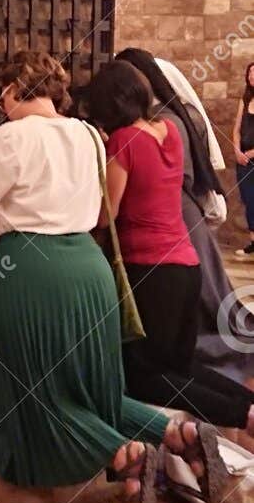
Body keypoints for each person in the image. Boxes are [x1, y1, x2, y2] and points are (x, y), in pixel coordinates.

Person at [0, 51, 233, 503]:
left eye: (2, 92)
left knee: (28, 398)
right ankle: (177, 432)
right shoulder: (87, 134)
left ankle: (125, 455)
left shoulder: (12, 135)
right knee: (92, 389)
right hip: (89, 270)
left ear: (16, 90)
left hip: (30, 272)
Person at [87, 59, 254, 436]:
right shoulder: (170, 131)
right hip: (186, 266)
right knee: (179, 367)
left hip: (151, 271)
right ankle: (248, 406)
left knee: (143, 376)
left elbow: (106, 214)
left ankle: (243, 418)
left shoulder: (122, 141)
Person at [116, 47, 252, 383]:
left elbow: (183, 174)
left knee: (205, 296)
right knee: (205, 290)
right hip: (179, 212)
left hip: (177, 213)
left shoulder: (168, 118)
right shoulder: (163, 115)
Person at [232, 61, 254, 258]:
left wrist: (252, 153)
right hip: (244, 161)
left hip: (252, 156)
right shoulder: (245, 100)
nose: (253, 77)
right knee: (249, 199)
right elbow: (237, 129)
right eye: (251, 74)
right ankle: (253, 241)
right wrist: (237, 151)